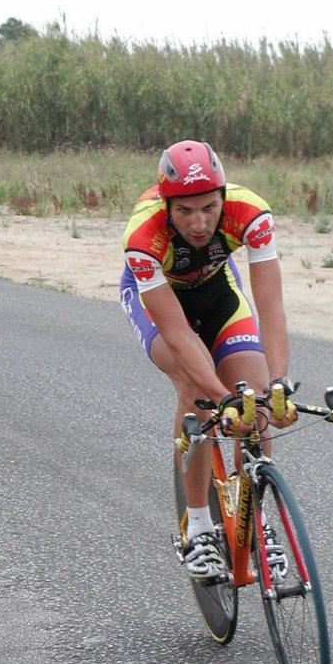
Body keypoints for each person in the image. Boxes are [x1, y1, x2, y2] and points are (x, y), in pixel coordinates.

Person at [119, 140, 293, 581]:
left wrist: (277, 383)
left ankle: (259, 522)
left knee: (253, 398)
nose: (199, 223)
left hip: (217, 291)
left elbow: (270, 306)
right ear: (166, 204)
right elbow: (177, 333)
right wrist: (220, 398)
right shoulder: (143, 234)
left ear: (224, 197)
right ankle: (197, 526)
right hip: (161, 300)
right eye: (185, 211)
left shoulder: (250, 211)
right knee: (199, 395)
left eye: (209, 208)